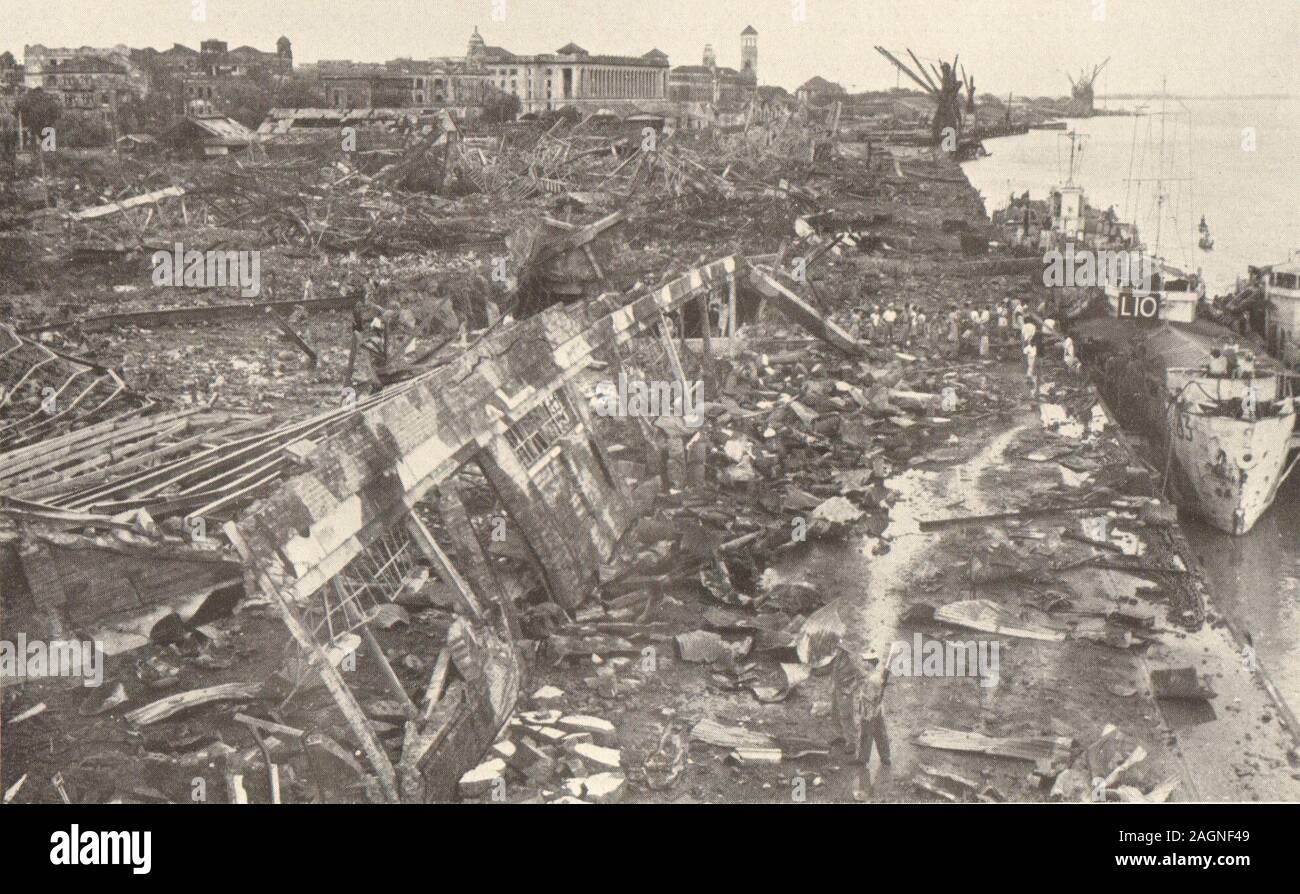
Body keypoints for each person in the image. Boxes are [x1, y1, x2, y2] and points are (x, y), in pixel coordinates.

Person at [832, 645, 891, 800]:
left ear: (870, 663)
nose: (863, 662)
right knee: (880, 734)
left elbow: (871, 698)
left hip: (870, 712)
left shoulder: (872, 679)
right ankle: (885, 757)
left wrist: (867, 713)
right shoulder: (874, 675)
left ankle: (864, 759)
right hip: (877, 711)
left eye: (865, 661)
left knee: (867, 736)